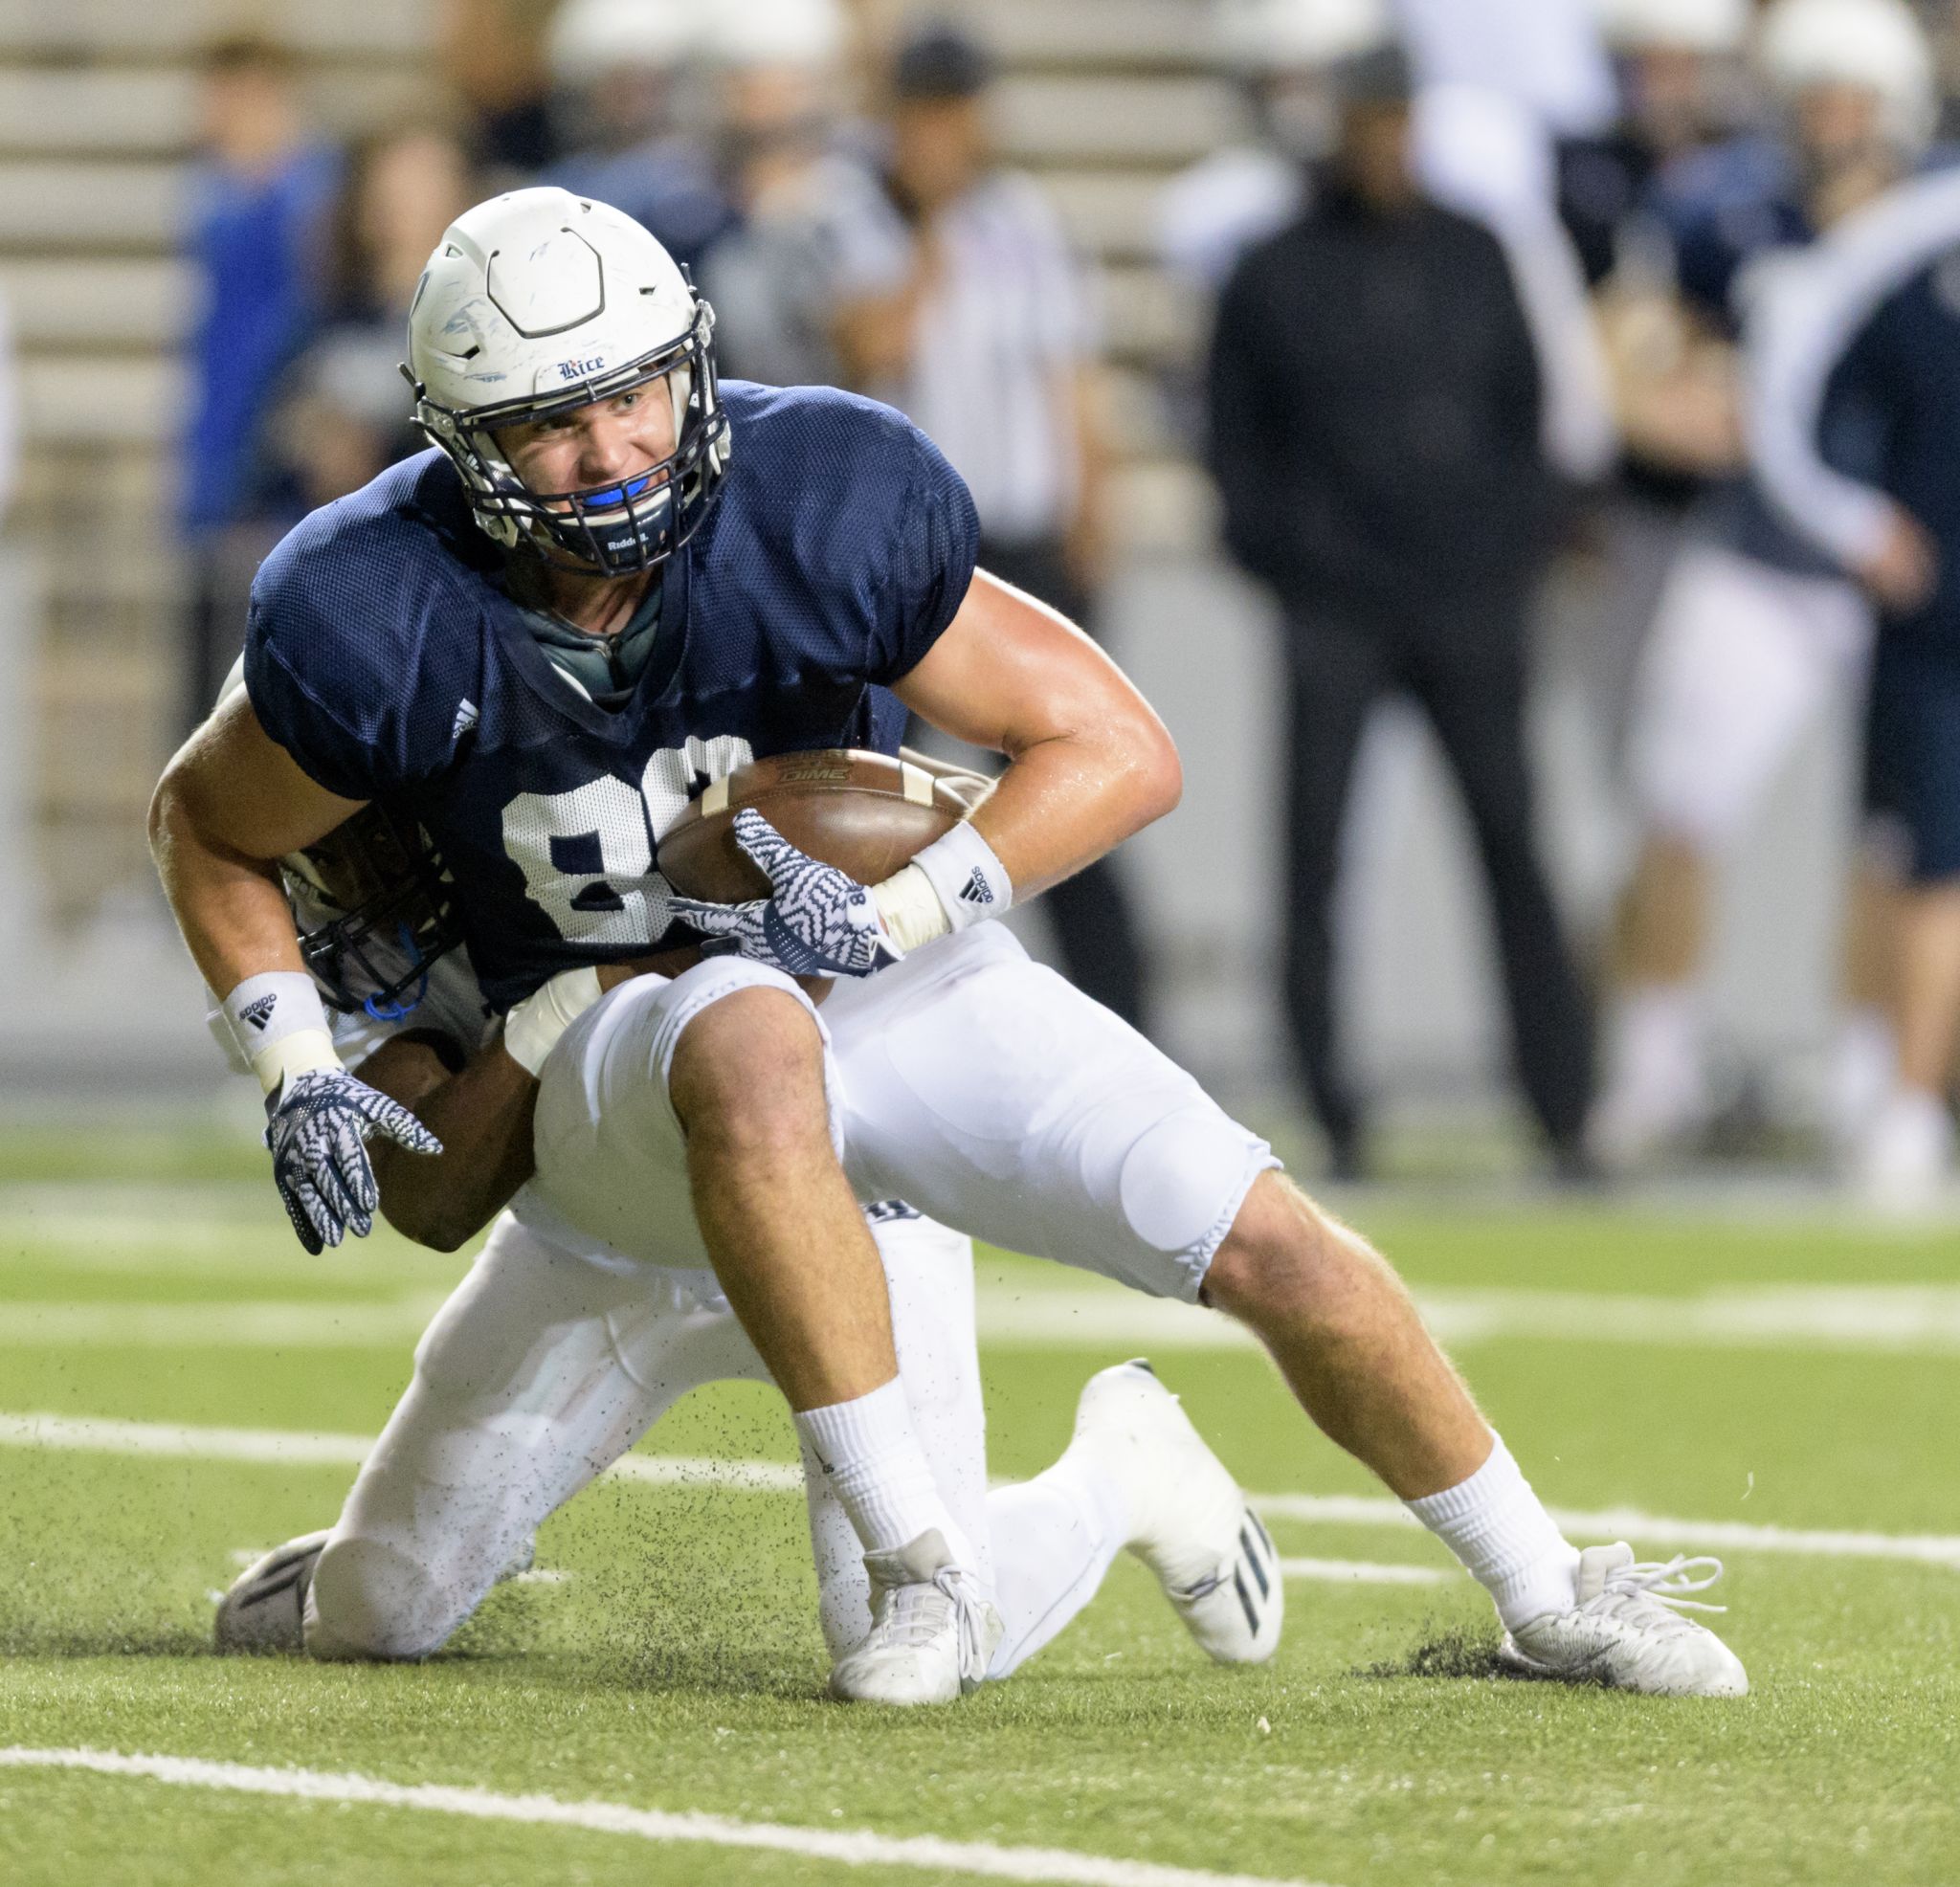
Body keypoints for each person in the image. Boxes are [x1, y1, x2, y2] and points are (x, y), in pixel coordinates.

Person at [149, 185, 1747, 1705]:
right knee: (375, 1613)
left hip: (878, 1009)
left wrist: (912, 902)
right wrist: (289, 1056)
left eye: (637, 393)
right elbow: (207, 825)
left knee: (1246, 1228)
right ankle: (912, 1552)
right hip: (609, 1118)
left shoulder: (815, 497)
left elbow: (1114, 743)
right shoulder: (371, 603)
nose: (615, 446)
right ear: (465, 446)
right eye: (553, 424)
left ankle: (1541, 1587)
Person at [209, 788, 1278, 1677]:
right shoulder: (344, 959)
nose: (339, 887)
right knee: (374, 1610)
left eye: (349, 846)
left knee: (917, 1642)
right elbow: (431, 1199)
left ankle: (1118, 1471)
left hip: (829, 1215)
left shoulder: (628, 761)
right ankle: (402, 1542)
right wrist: (585, 991)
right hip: (596, 1246)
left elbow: (914, 812)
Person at [1207, 40, 1596, 1183]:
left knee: (1512, 843)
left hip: (1468, 600)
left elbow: (1524, 412)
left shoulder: (1474, 250)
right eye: (1366, 122)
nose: (1384, 144)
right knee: (1315, 849)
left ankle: (1563, 1105)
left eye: (1397, 122)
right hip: (1336, 605)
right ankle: (1329, 1108)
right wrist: (1289, 559)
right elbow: (1233, 436)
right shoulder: (1273, 266)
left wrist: (1508, 550)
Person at [1588, 0, 1936, 1170]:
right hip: (1754, 552)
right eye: (1814, 100)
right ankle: (1648, 1070)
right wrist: (1667, 400)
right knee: (1678, 809)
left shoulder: (1931, 214)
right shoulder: (1719, 204)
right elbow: (1632, 354)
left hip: (1899, 575)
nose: (1832, 125)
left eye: (1851, 101)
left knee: (1896, 842)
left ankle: (1870, 1077)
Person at [826, 21, 1149, 1033]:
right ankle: (864, 1011)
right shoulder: (850, 212)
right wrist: (926, 231)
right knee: (878, 792)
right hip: (910, 553)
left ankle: (1125, 1023)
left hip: (1026, 540)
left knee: (1073, 785)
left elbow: (1069, 377)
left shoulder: (1020, 216)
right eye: (924, 113)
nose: (942, 135)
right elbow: (868, 346)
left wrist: (1091, 510)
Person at [1748, 163, 1960, 1201]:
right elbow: (1793, 381)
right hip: (1939, 616)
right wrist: (1850, 519)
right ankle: (1900, 1094)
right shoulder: (1916, 231)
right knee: (1916, 858)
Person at [178, 33, 341, 738]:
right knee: (200, 700)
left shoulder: (310, 201)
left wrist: (266, 458)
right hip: (216, 474)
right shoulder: (213, 202)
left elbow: (296, 348)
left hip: (272, 485)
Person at [262, 124, 477, 520]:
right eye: (389, 185)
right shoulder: (323, 321)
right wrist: (311, 436)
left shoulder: (488, 321)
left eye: (421, 184)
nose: (402, 204)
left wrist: (386, 449)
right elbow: (266, 433)